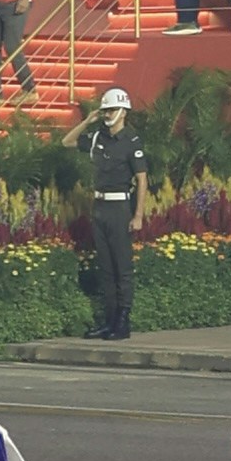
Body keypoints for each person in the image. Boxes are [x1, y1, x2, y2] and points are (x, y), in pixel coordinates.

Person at [79, 87, 142, 343]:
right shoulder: (98, 137)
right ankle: (109, 319)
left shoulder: (131, 141)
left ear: (123, 111)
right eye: (105, 110)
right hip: (100, 207)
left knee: (122, 267)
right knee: (105, 268)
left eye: (112, 109)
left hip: (119, 208)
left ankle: (123, 321)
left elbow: (142, 179)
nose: (108, 114)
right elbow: (67, 142)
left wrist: (138, 215)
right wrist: (87, 121)